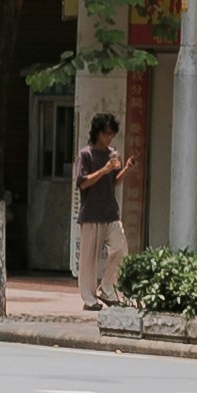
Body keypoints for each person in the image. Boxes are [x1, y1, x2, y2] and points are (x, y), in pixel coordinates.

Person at [75, 113, 126, 310]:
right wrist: (104, 169)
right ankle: (89, 299)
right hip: (91, 213)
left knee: (120, 250)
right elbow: (83, 182)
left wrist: (126, 168)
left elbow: (114, 182)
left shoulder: (113, 154)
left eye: (112, 134)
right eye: (106, 134)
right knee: (89, 259)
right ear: (97, 133)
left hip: (111, 212)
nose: (109, 138)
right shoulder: (86, 154)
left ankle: (106, 287)